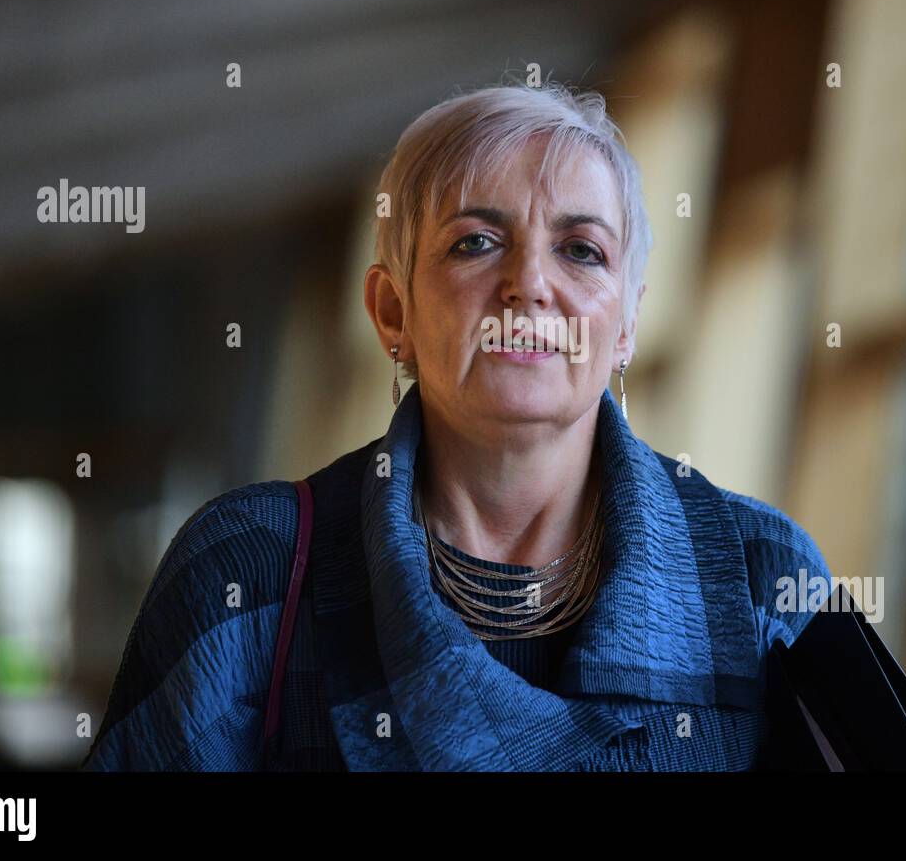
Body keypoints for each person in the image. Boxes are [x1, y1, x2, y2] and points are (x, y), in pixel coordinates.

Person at [82, 82, 831, 771]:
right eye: (476, 242)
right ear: (391, 312)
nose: (531, 286)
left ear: (629, 319)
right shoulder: (251, 570)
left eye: (581, 250)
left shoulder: (758, 579)